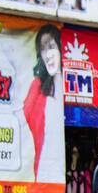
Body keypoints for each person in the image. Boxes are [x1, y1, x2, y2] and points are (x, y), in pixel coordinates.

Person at [23, 24, 64, 183]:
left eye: (51, 46)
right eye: (43, 49)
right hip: (44, 171)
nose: (48, 54)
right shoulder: (39, 88)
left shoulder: (69, 83)